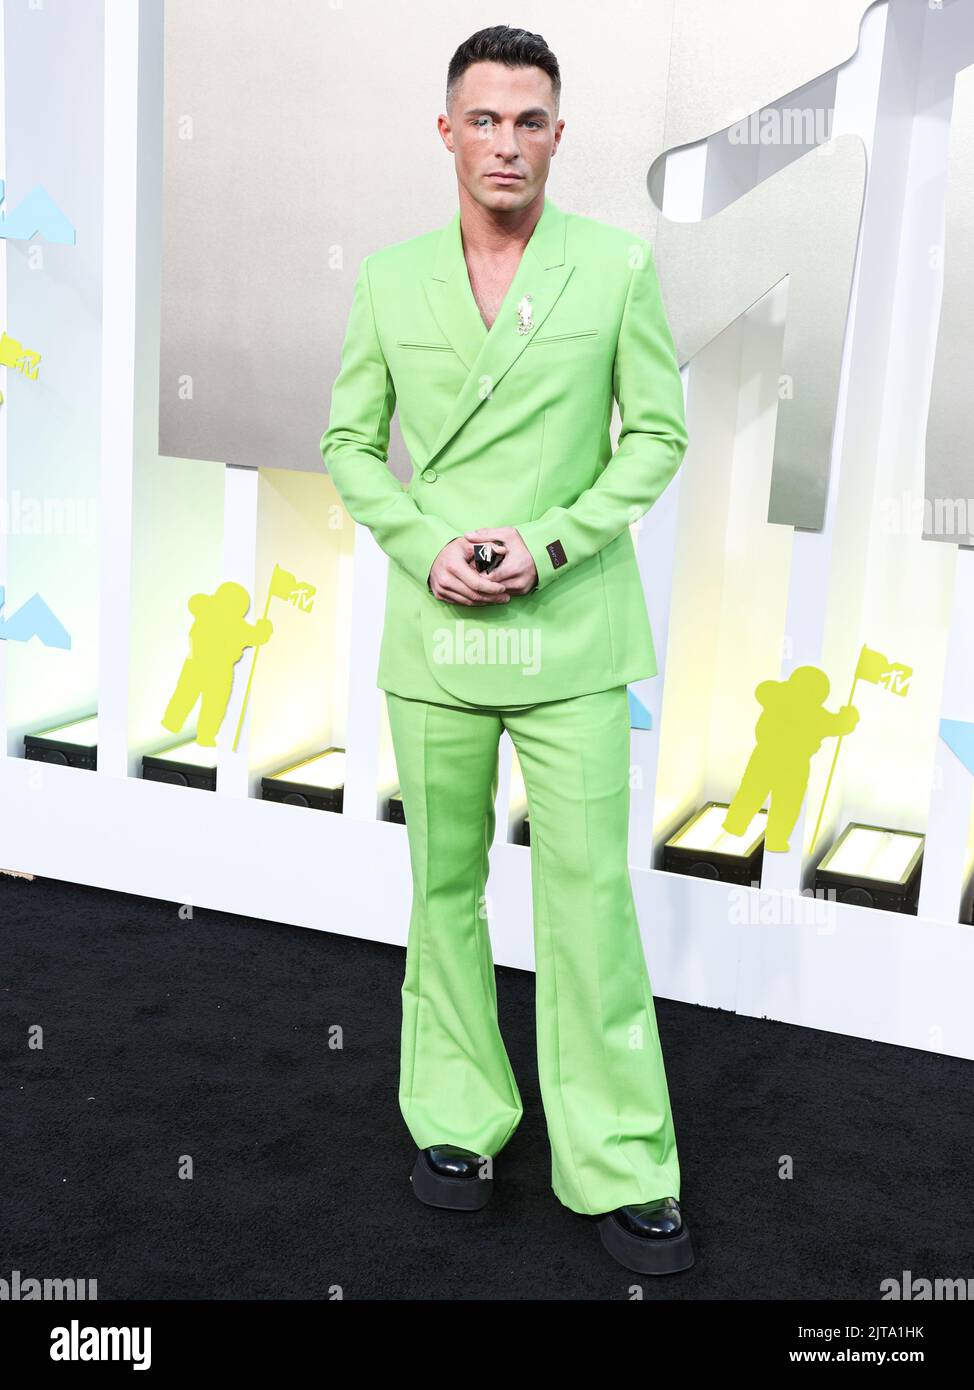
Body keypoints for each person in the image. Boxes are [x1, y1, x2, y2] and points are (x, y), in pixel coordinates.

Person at [320, 24, 692, 1275]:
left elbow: (654, 436)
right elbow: (349, 445)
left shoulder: (616, 267)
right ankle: (457, 1125)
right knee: (442, 891)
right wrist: (422, 544)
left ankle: (623, 1160)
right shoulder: (387, 279)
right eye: (483, 119)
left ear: (557, 134)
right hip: (434, 629)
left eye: (528, 120)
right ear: (445, 132)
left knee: (587, 902)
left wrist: (553, 543)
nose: (506, 143)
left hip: (571, 625)